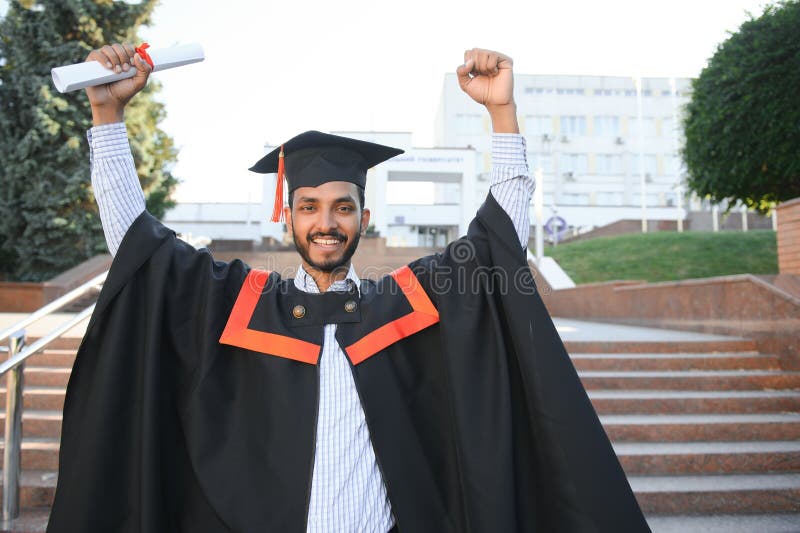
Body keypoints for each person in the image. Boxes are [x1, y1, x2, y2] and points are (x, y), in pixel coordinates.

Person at [46, 44, 650, 533]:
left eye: (342, 206)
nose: (326, 222)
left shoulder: (407, 303)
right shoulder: (240, 305)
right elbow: (140, 251)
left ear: (365, 217)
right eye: (308, 206)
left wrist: (501, 115)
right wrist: (108, 116)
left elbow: (499, 243)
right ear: (287, 218)